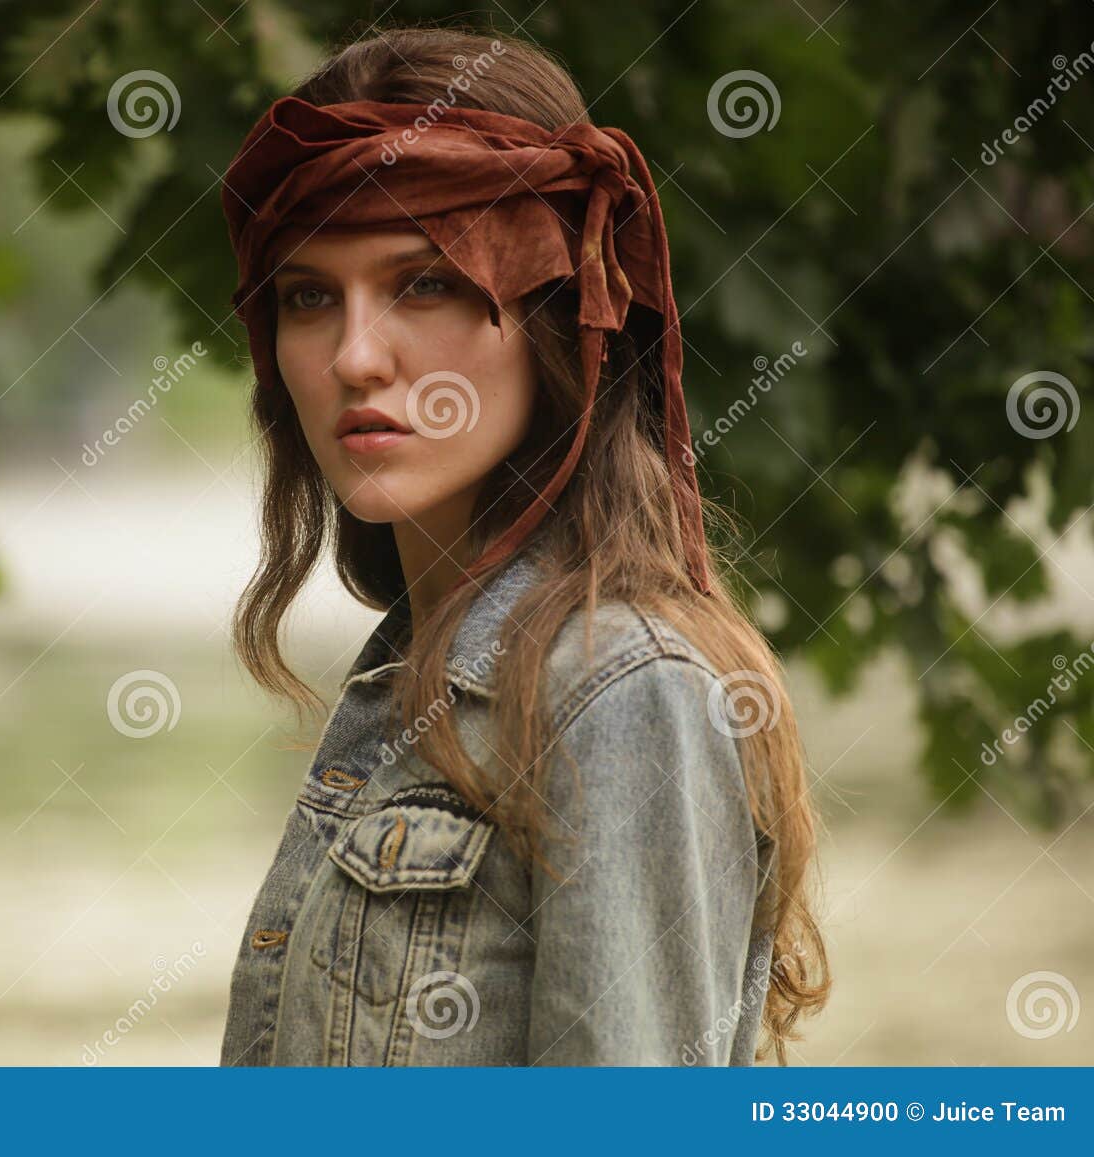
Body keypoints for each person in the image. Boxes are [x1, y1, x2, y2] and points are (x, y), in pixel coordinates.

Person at [216, 26, 830, 1066]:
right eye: (308, 295)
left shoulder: (617, 689)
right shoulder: (417, 673)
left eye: (426, 282)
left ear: (558, 319)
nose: (356, 356)